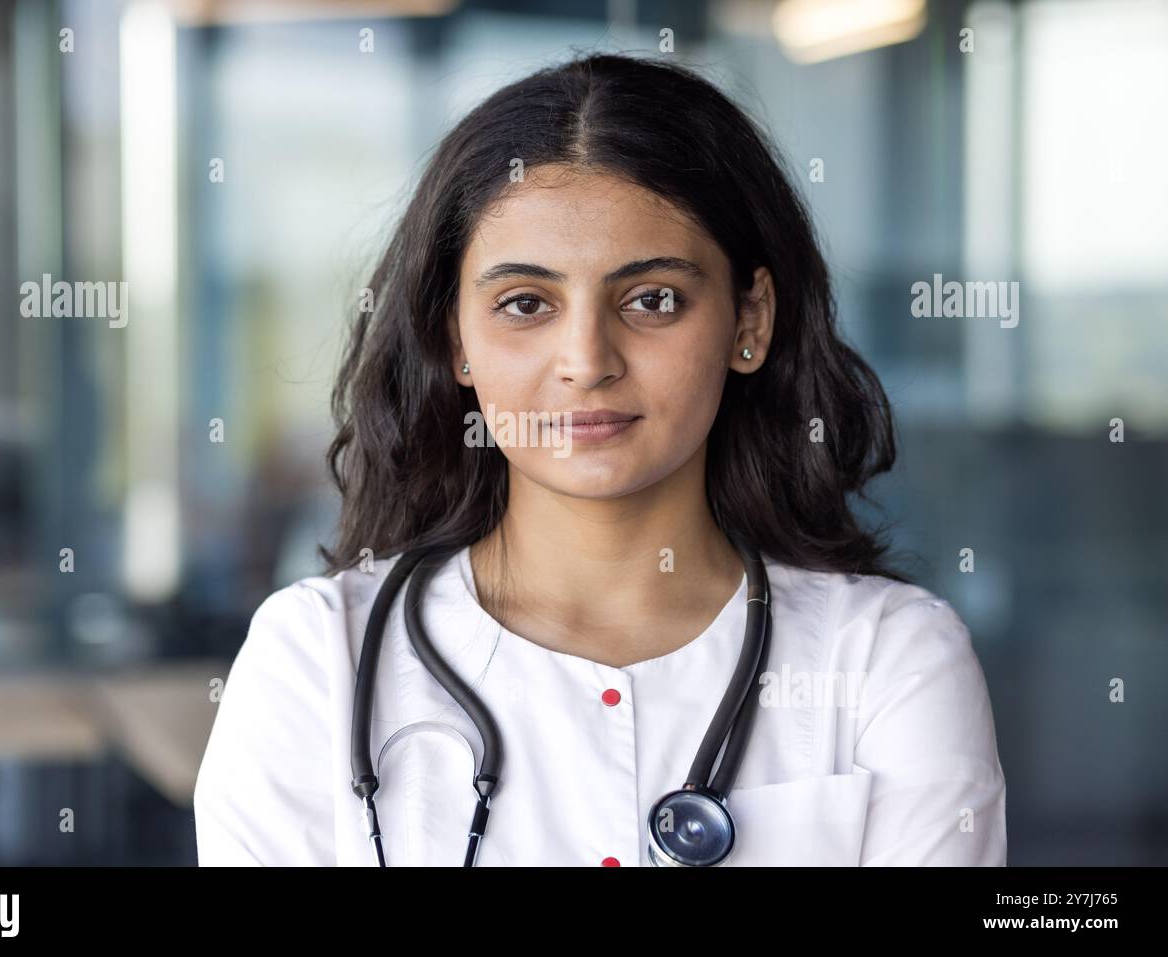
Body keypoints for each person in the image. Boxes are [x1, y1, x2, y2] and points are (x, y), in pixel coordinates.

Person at [193, 52, 1006, 867]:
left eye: (652, 299)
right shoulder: (313, 662)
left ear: (749, 320)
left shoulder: (886, 662)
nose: (587, 359)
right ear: (455, 338)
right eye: (525, 304)